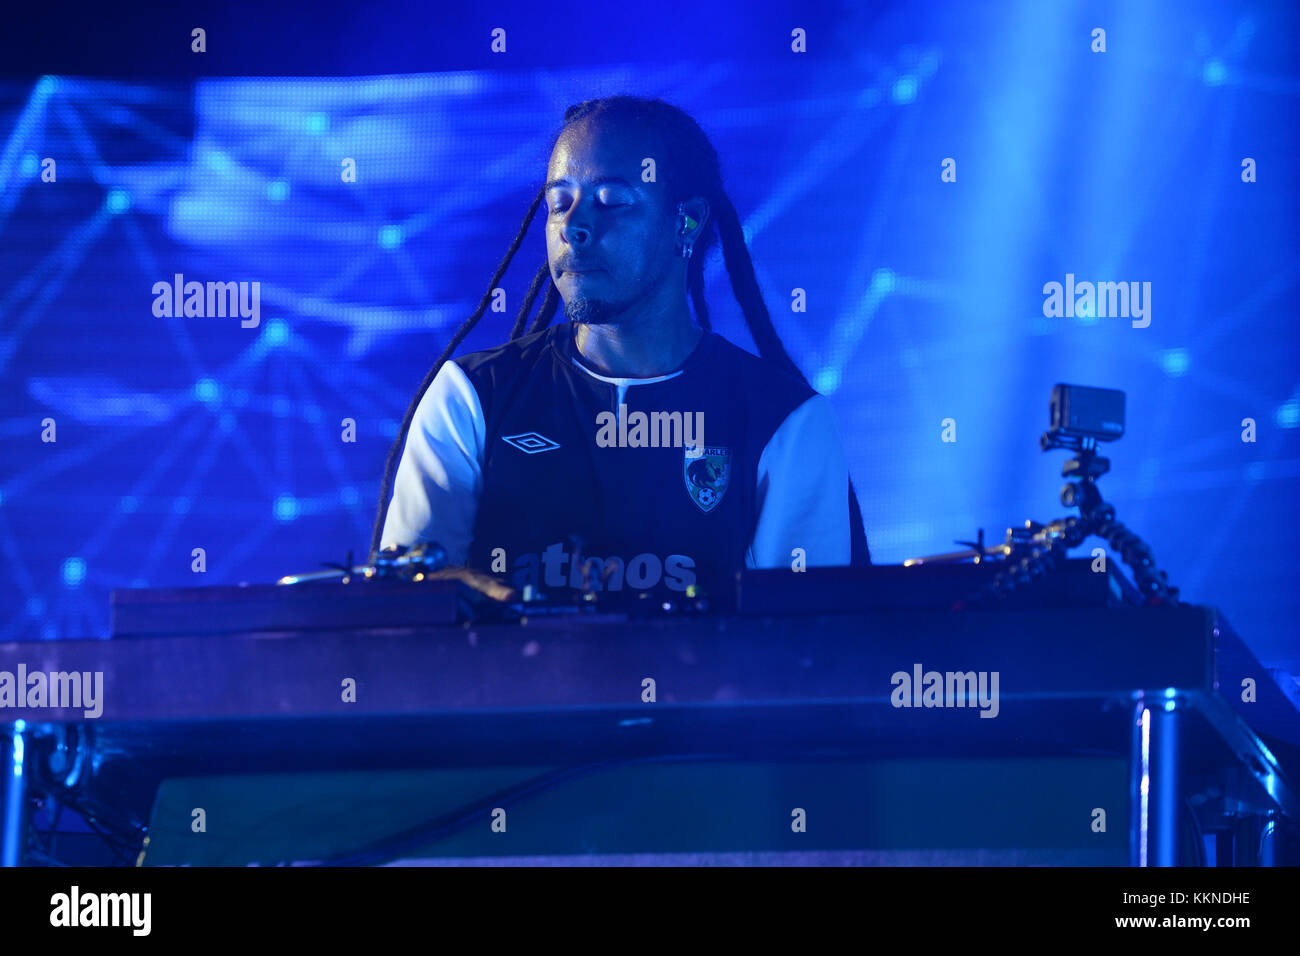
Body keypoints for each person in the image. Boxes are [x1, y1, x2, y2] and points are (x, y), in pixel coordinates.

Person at [371, 96, 869, 602]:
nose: (573, 226)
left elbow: (807, 646)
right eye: (559, 202)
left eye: (611, 200)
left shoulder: (785, 420)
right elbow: (405, 617)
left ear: (687, 221)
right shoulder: (471, 398)